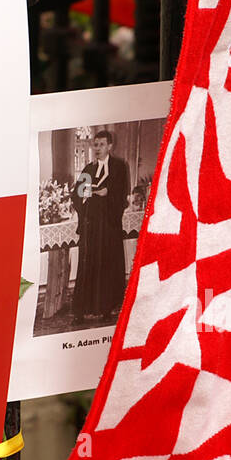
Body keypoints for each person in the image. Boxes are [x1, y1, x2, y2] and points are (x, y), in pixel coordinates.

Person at [71, 133, 128, 322]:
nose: (97, 148)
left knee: (108, 264)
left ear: (109, 146)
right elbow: (77, 194)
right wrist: (87, 194)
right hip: (92, 227)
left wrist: (108, 192)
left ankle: (107, 307)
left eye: (101, 144)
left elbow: (122, 194)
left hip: (109, 225)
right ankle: (84, 308)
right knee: (89, 265)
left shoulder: (119, 167)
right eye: (95, 145)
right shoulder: (88, 168)